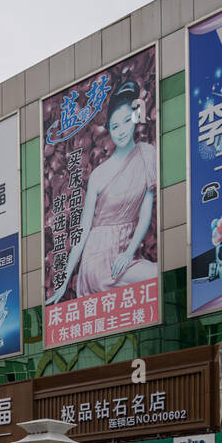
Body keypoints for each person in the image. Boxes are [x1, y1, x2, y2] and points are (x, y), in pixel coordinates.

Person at [49, 79, 157, 302]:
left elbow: (146, 212)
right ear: (108, 128)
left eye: (127, 121)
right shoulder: (99, 174)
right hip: (97, 259)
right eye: (115, 126)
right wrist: (63, 281)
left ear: (135, 119)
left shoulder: (147, 154)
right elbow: (84, 229)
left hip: (126, 252)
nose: (121, 131)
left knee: (157, 275)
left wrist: (128, 253)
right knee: (154, 276)